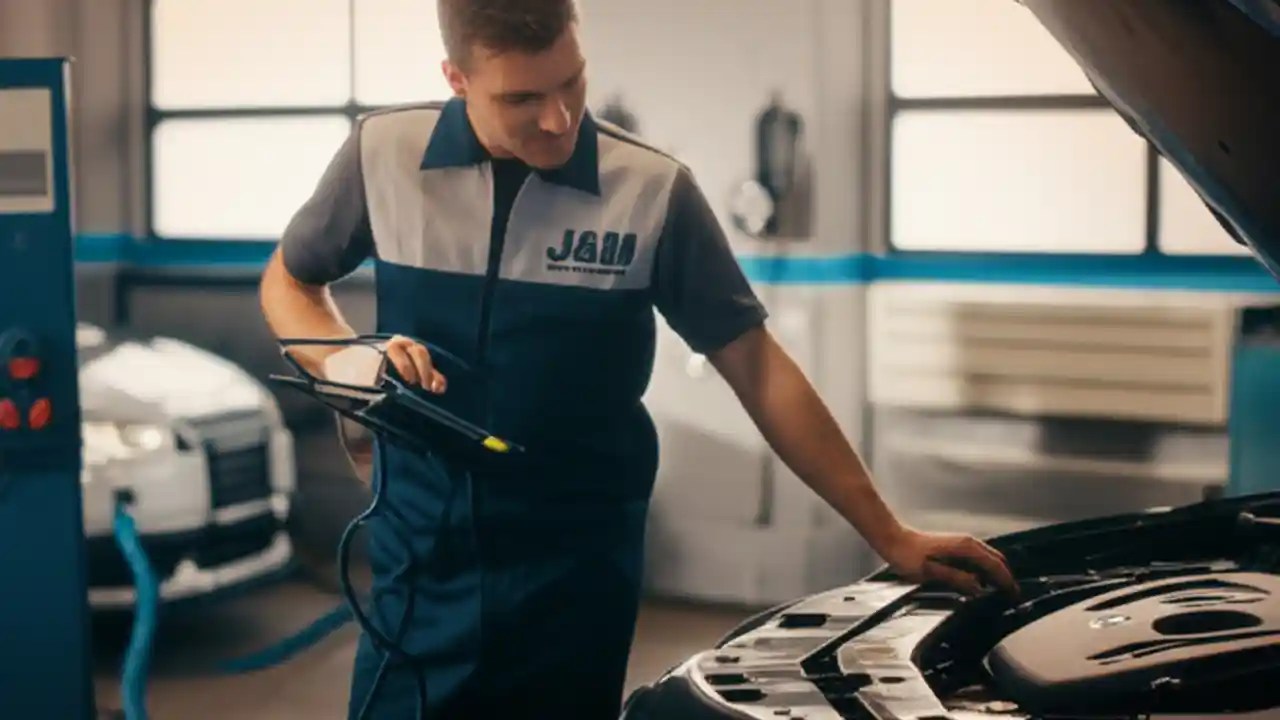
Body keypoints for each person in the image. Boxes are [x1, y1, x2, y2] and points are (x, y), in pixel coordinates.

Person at [258, 0, 1018, 716]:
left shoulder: (650, 192)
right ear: (456, 80)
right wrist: (349, 366)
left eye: (572, 81)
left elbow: (756, 366)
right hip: (417, 560)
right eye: (522, 99)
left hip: (573, 572)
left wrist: (888, 533)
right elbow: (290, 281)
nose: (559, 119)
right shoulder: (382, 154)